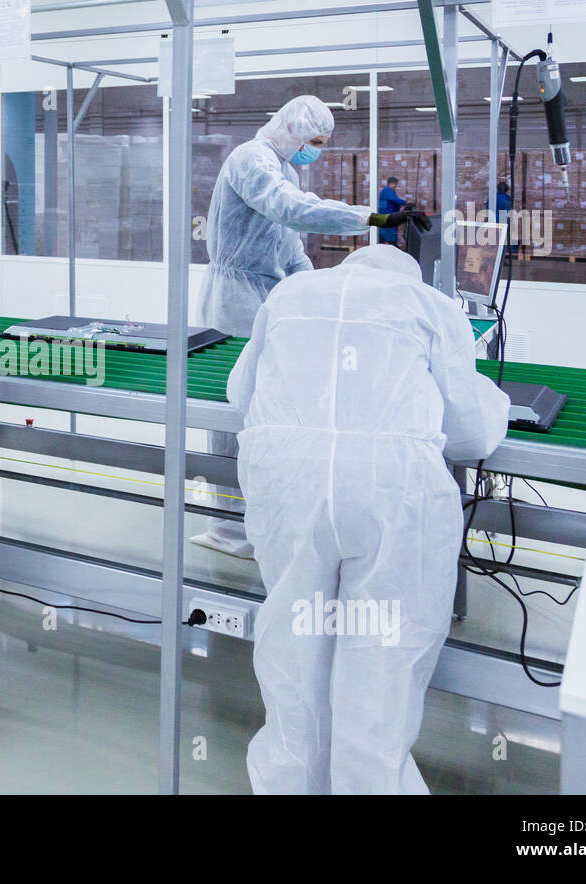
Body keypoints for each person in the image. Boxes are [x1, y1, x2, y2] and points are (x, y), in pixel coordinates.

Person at [227, 243, 510, 794]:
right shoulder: (427, 303)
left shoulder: (289, 293)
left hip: (288, 481)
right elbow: (471, 430)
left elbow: (242, 392)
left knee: (292, 645)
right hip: (390, 491)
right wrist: (498, 403)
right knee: (384, 654)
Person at [192, 95, 429, 560]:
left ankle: (262, 514)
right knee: (233, 407)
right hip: (233, 297)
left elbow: (289, 245)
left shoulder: (287, 170)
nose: (314, 151)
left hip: (267, 292)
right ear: (291, 130)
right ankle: (227, 527)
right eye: (313, 141)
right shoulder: (250, 161)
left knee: (268, 402)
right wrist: (374, 217)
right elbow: (290, 210)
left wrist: (326, 290)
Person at [377, 177, 408, 245]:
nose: (395, 186)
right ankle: (392, 245)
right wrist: (406, 202)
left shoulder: (390, 191)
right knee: (388, 234)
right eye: (394, 184)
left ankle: (390, 244)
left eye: (396, 184)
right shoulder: (387, 190)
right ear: (390, 183)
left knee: (386, 233)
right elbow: (394, 200)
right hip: (386, 216)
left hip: (388, 215)